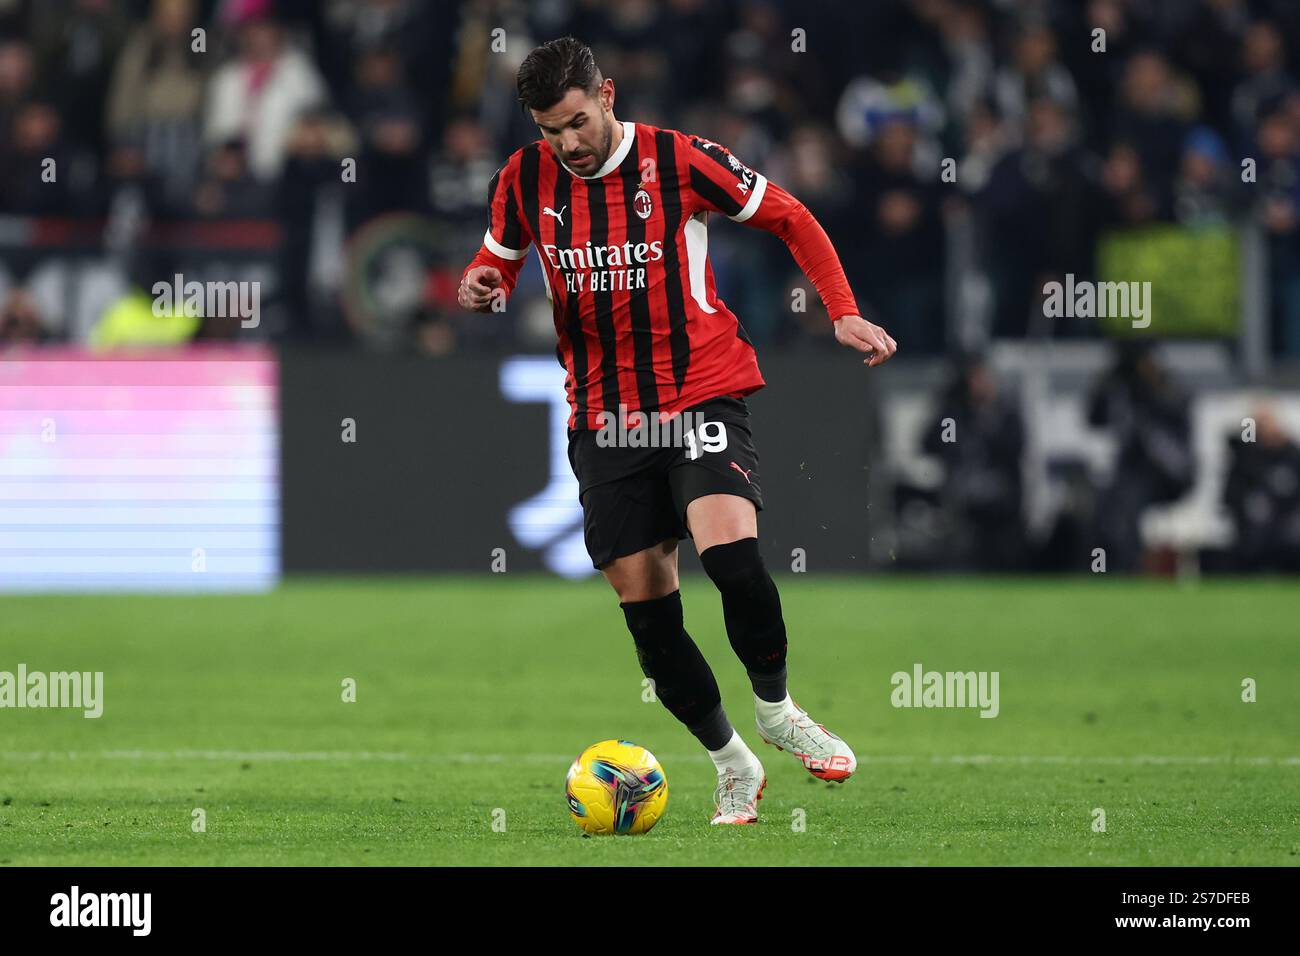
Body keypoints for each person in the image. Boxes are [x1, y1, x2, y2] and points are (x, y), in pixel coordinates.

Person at [457, 37, 896, 826]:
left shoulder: (680, 160)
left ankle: (777, 709)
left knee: (733, 559)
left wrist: (843, 311)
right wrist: (481, 284)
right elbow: (497, 261)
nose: (568, 144)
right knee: (651, 622)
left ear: (608, 96)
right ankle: (733, 763)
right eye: (550, 129)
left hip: (700, 394)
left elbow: (791, 217)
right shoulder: (522, 179)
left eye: (578, 122)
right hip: (606, 418)